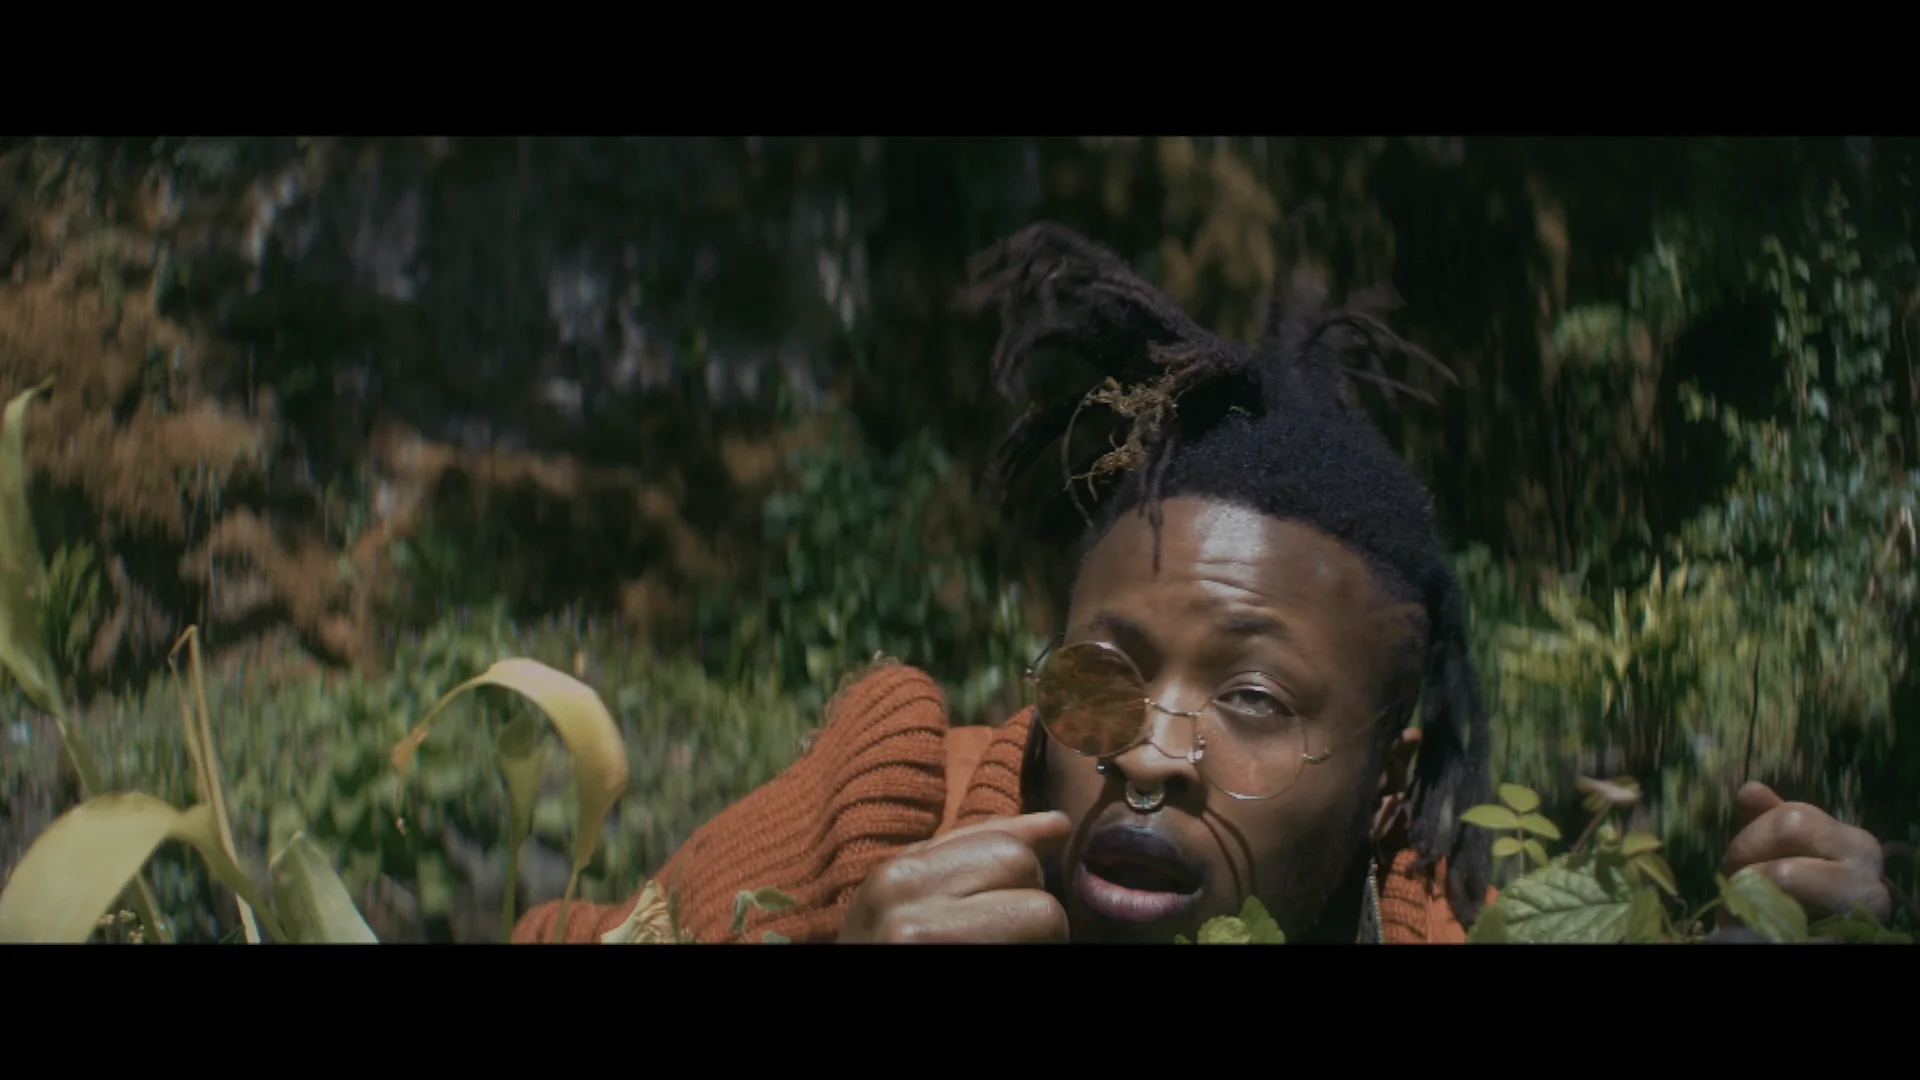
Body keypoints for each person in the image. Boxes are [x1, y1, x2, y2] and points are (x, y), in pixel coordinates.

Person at [512, 223, 1893, 945]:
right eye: (1103, 673)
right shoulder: (882, 815)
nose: (1152, 754)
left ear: (1391, 788)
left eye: (1253, 697)